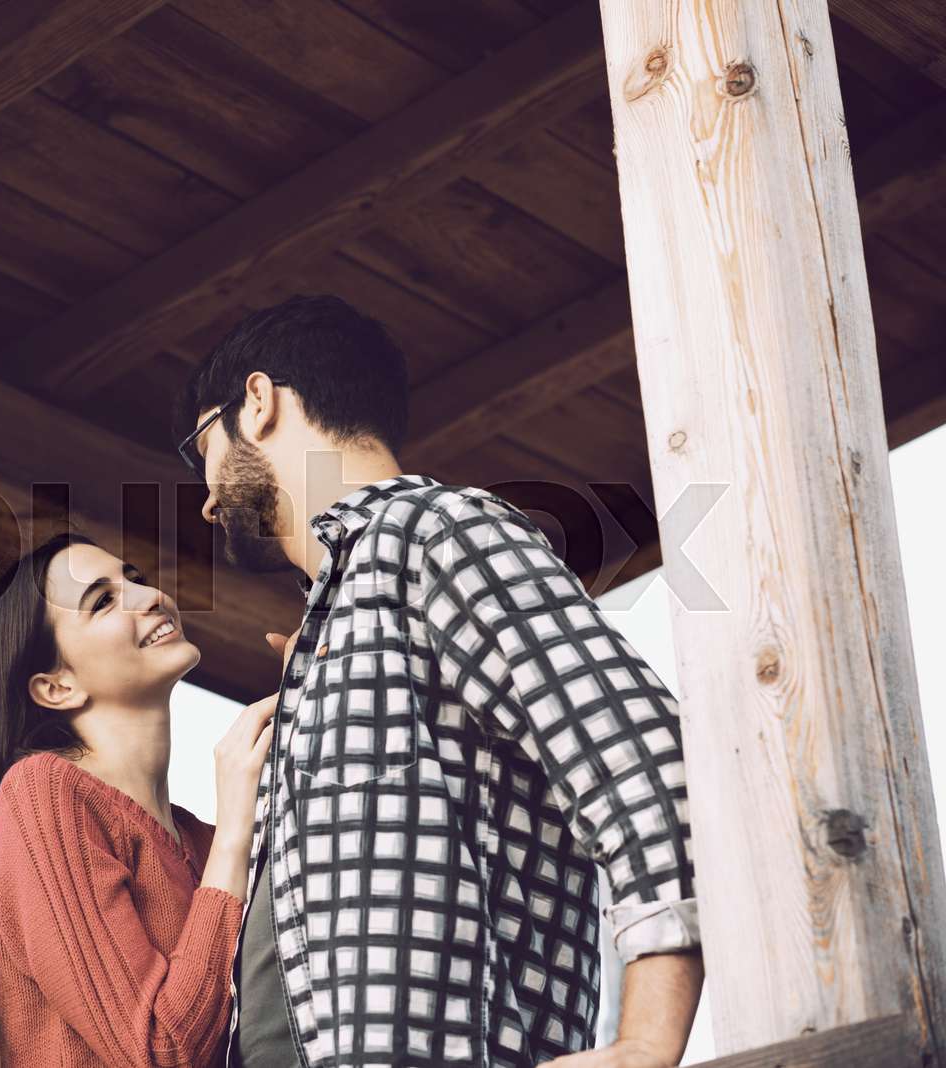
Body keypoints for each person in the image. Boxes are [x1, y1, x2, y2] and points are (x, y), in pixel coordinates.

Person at [171, 295, 705, 1068]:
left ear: (257, 404)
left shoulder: (429, 532)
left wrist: (647, 1042)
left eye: (200, 453)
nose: (210, 495)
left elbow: (648, 759)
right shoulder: (349, 615)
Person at [0, 531, 279, 1068]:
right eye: (103, 601)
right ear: (57, 687)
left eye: (134, 579)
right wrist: (234, 834)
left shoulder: (202, 844)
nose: (151, 595)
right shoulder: (44, 796)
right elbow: (159, 1050)